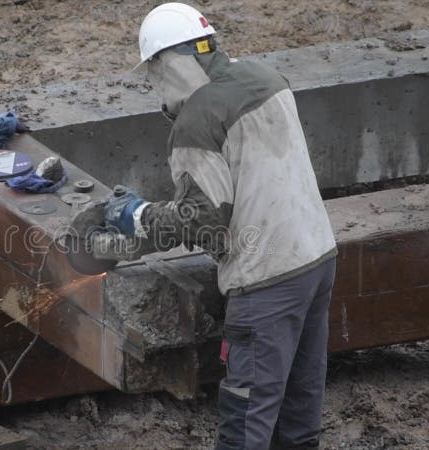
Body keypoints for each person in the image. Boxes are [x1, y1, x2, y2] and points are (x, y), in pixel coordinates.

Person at [103, 3, 338, 449]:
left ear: (166, 63)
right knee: (299, 417)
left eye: (153, 73)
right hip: (318, 258)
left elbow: (204, 222)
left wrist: (137, 215)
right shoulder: (265, 77)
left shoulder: (198, 118)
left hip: (266, 281)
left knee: (246, 419)